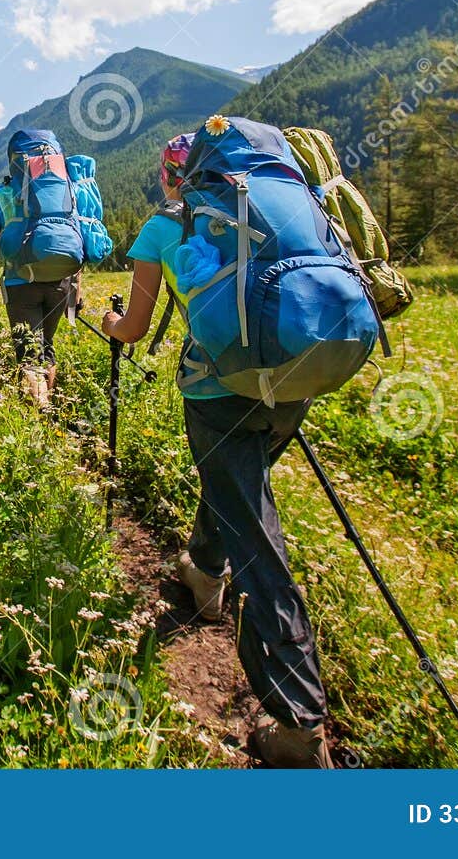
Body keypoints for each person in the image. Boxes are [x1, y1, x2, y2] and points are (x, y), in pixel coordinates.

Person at [100, 132, 332, 769]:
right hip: (295, 375)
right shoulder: (275, 214)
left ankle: (297, 721)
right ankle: (204, 572)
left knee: (252, 527)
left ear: (174, 179)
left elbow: (137, 326)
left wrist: (106, 324)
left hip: (218, 391)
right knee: (236, 492)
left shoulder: (160, 230)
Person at [0, 180, 77, 409]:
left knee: (29, 355)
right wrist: (75, 293)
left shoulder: (1, 194)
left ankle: (39, 416)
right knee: (47, 345)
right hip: (61, 282)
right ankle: (51, 415)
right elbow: (73, 242)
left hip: (20, 283)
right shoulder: (64, 190)